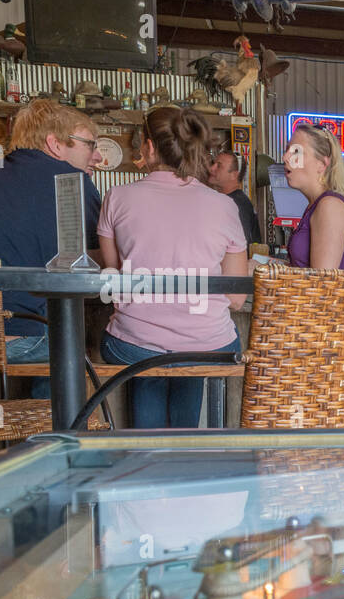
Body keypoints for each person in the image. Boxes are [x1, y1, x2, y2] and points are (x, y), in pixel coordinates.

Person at [98, 106, 248, 429]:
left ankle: (148, 458)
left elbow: (111, 281)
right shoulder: (225, 205)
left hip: (134, 344)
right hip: (207, 345)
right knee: (190, 354)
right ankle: (183, 456)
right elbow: (236, 298)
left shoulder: (116, 197)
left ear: (149, 148)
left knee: (149, 356)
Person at [0, 99, 103, 378]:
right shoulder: (73, 182)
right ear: (55, 144)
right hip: (18, 339)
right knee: (73, 353)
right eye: (90, 144)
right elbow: (96, 265)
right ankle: (54, 421)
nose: (97, 157)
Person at [283, 123, 344, 270]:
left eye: (296, 152)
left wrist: (272, 273)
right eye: (287, 150)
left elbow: (322, 283)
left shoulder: (330, 206)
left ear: (321, 164)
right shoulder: (316, 205)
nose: (285, 157)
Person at [208, 150, 261, 246]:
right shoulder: (232, 200)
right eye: (213, 163)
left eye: (219, 166)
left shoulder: (237, 204)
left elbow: (239, 246)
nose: (211, 168)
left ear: (234, 175)